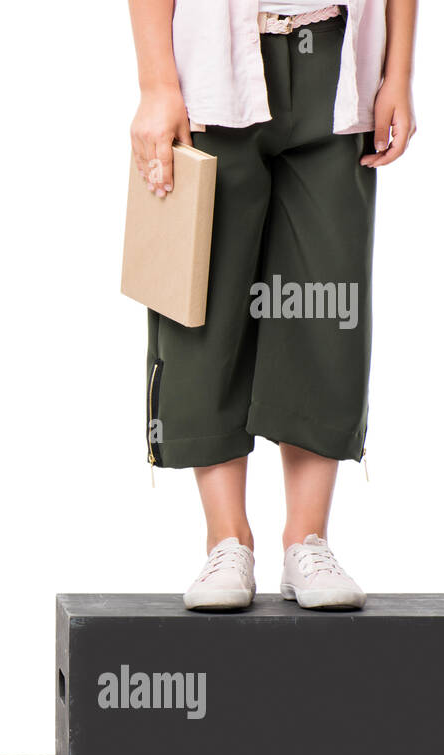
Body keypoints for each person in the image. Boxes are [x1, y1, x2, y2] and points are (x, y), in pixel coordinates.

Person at [127, 1, 417, 610]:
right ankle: (226, 540)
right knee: (205, 301)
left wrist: (400, 73)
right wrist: (156, 83)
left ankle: (307, 539)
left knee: (325, 297)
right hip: (211, 61)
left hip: (335, 54)